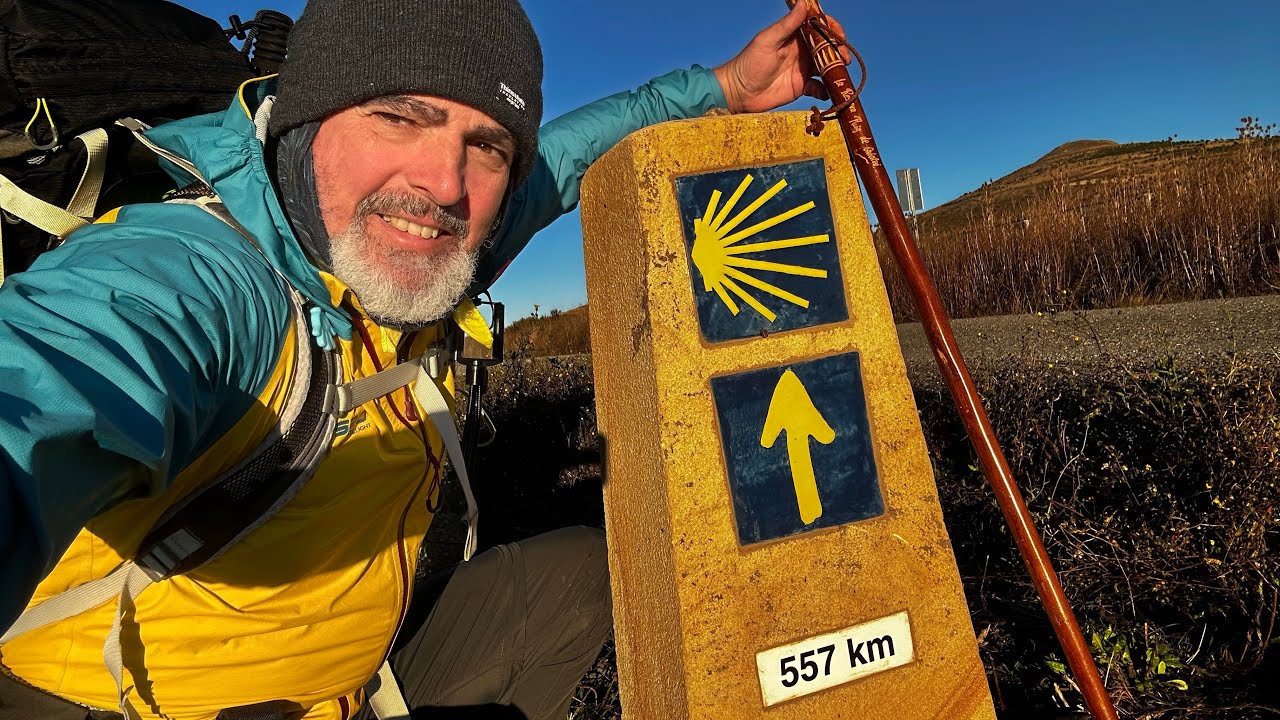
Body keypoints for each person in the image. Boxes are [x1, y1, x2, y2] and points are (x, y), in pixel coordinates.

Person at [0, 1, 846, 718]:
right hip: (126, 699)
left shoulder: (430, 250)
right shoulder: (194, 279)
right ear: (305, 119)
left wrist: (727, 88)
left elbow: (572, 150)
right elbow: (47, 386)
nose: (444, 182)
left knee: (587, 574)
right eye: (401, 113)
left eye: (487, 145)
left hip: (355, 680)